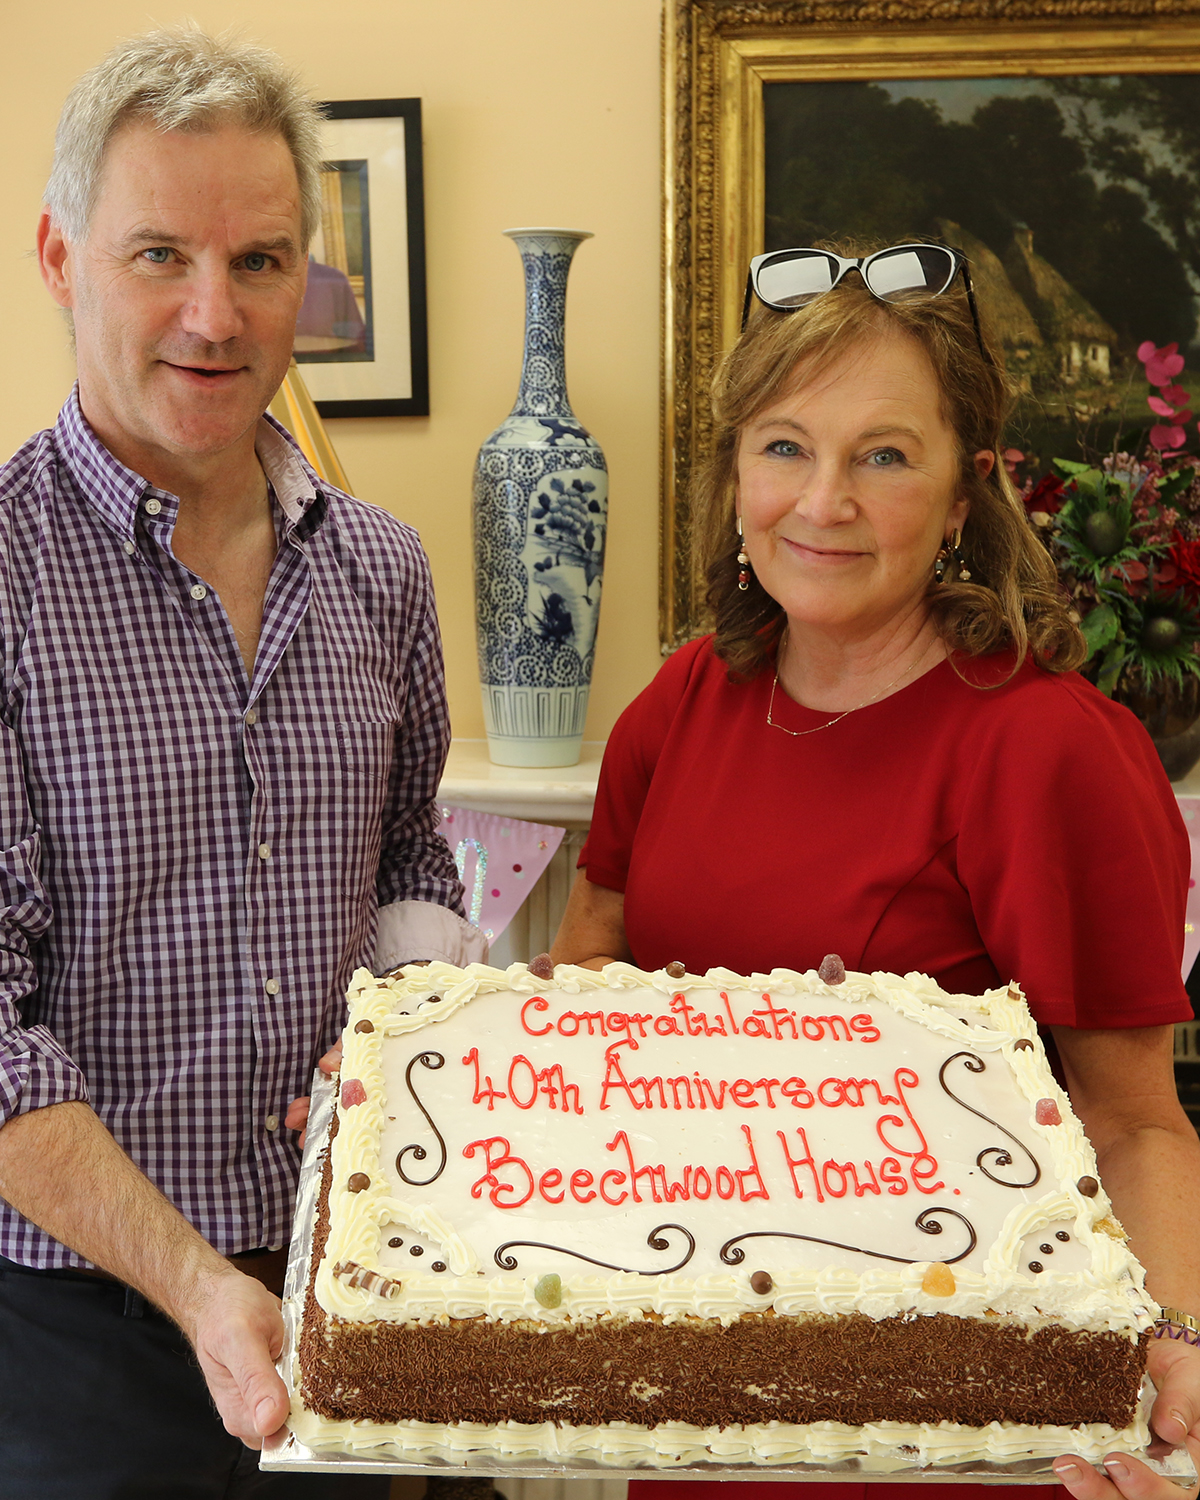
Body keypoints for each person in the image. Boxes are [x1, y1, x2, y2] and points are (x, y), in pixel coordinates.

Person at [551, 241, 1200, 1500]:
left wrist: (1179, 1348)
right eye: (785, 446)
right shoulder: (681, 704)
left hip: (943, 1425)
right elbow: (588, 982)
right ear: (738, 474)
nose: (822, 501)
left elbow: (1134, 1120)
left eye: (885, 455)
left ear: (966, 494)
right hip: (699, 1408)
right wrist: (422, 1075)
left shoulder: (1045, 749)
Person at [0, 28, 483, 1500]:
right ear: (62, 256)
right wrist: (205, 1288)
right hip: (84, 1332)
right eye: (160, 256)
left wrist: (394, 1043)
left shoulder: (384, 571)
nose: (215, 315)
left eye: (262, 262)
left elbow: (410, 868)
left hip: (364, 1281)